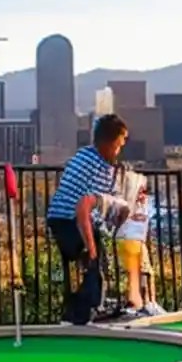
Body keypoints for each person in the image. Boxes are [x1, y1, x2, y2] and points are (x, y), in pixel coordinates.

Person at [46, 114, 128, 324]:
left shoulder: (83, 155)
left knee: (96, 256)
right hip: (71, 221)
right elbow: (84, 209)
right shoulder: (100, 167)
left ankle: (85, 307)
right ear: (108, 144)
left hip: (57, 218)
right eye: (118, 146)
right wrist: (91, 248)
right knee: (95, 258)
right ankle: (80, 312)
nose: (119, 151)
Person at [114, 171, 157, 316]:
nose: (142, 195)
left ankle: (148, 303)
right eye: (139, 191)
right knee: (140, 271)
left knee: (146, 272)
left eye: (145, 192)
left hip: (138, 241)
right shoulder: (125, 204)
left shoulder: (145, 205)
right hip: (128, 240)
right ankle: (143, 304)